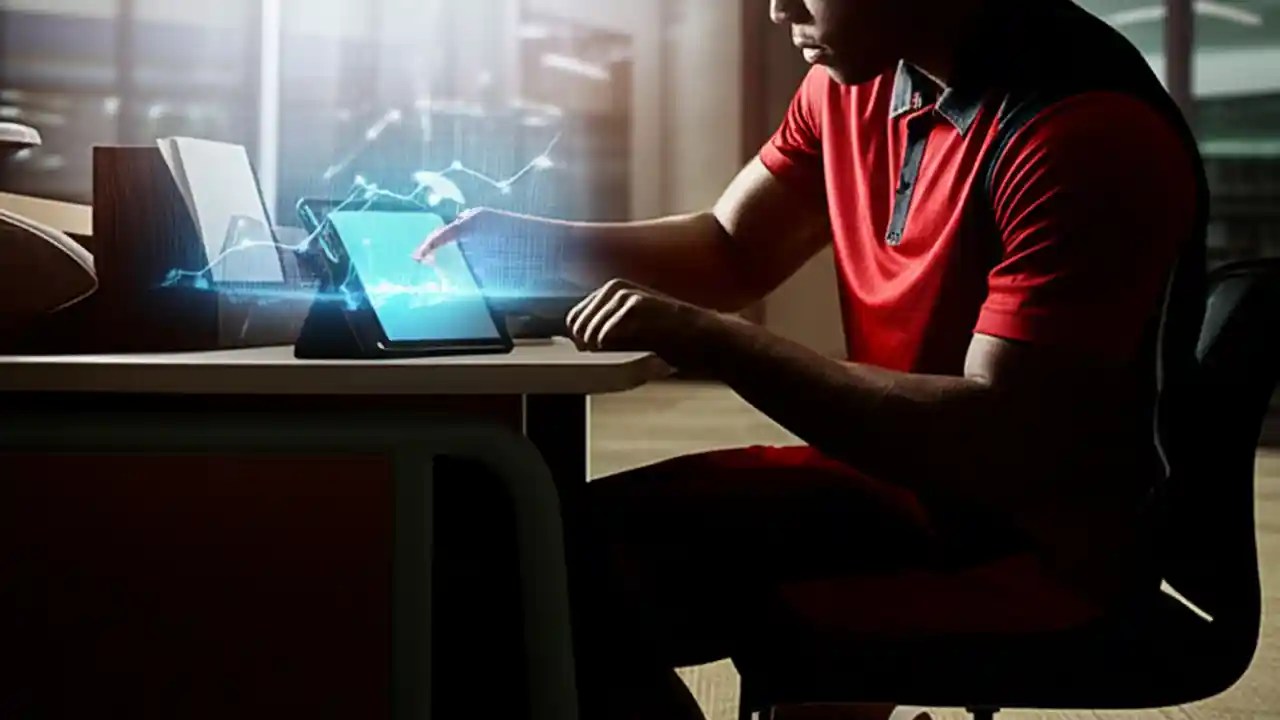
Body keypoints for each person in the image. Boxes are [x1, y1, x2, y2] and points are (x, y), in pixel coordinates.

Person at [416, 0, 1207, 718]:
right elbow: (730, 251)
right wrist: (526, 243)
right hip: (901, 487)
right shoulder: (856, 79)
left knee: (519, 580)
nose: (777, 8)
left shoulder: (1083, 133)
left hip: (1029, 547)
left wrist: (713, 340)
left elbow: (994, 443)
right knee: (508, 548)